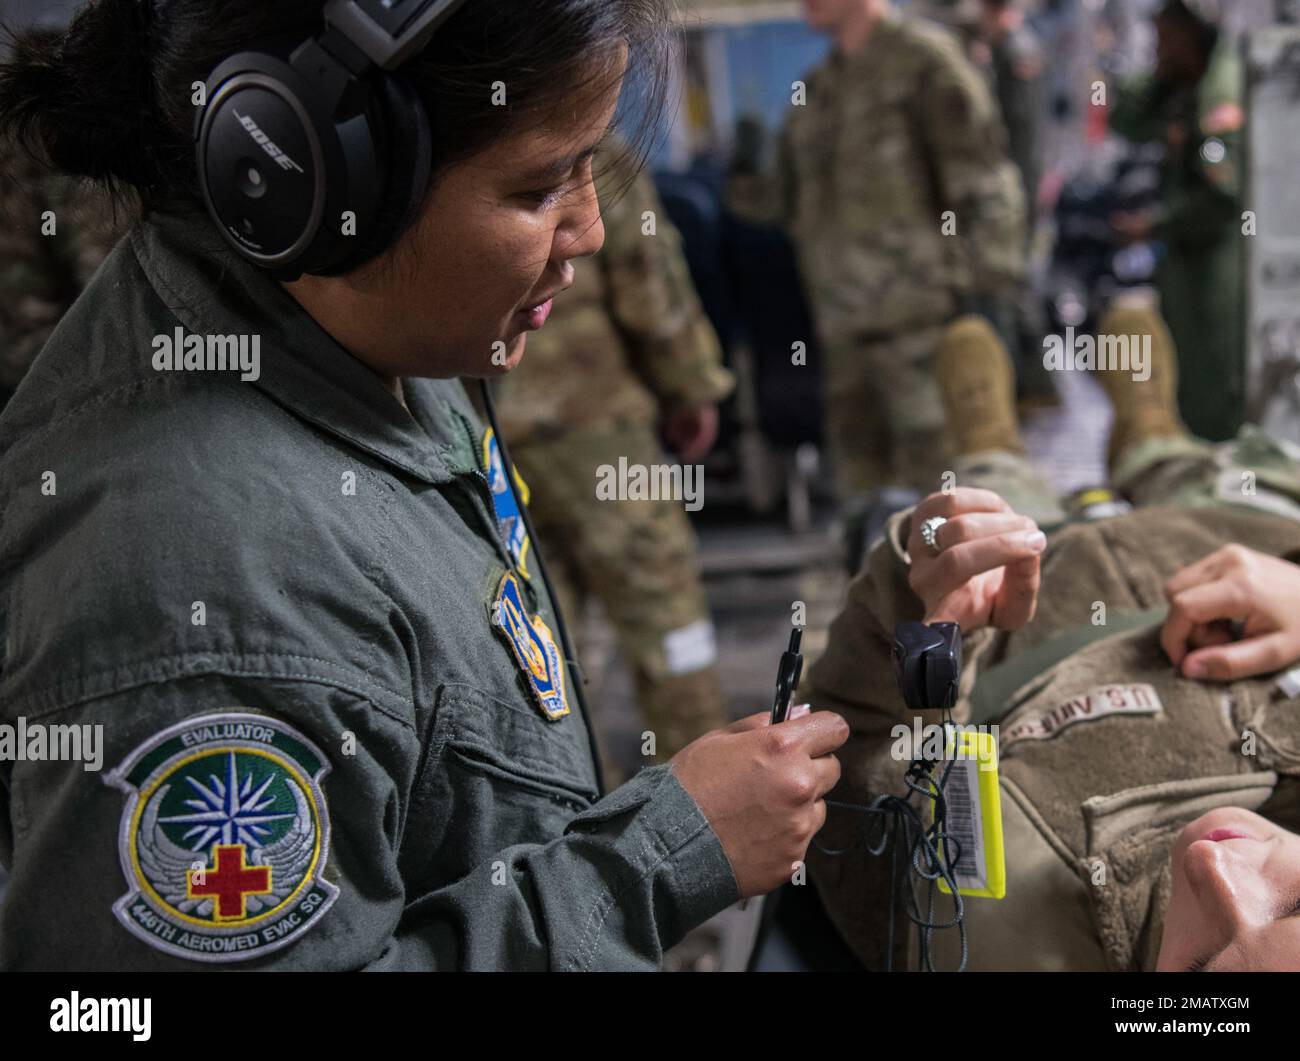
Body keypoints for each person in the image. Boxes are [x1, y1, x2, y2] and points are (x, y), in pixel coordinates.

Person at [0, 0, 849, 971]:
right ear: (304, 179)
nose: (591, 231)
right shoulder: (203, 603)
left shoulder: (380, 344)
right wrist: (653, 861)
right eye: (538, 187)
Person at [804, 308, 1300, 971]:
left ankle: (991, 444)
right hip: (1239, 533)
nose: (1212, 860)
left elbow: (856, 751)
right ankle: (1150, 432)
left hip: (1029, 604)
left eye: (1205, 961)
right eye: (1294, 903)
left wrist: (918, 610)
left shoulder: (979, 945)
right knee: (1192, 467)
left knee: (992, 493)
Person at [486, 152, 733, 779]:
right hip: (599, 430)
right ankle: (704, 805)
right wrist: (692, 384)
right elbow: (649, 278)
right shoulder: (588, 138)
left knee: (540, 644)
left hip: (488, 438)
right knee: (666, 620)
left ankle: (576, 815)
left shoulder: (457, 128)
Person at [728, 0, 1026, 498]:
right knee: (865, 508)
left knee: (946, 500)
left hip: (924, 333)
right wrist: (743, 172)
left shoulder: (923, 61)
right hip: (843, 335)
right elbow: (777, 202)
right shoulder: (818, 88)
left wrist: (987, 305)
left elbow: (986, 189)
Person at [1109, 0, 1245, 443]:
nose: (1159, 48)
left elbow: (1222, 197)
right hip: (1185, 264)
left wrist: (1156, 225)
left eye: (1168, 38)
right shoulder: (1183, 87)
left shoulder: (1216, 100)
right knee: (1184, 372)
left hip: (1212, 269)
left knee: (1210, 379)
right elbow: (1124, 118)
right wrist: (1161, 77)